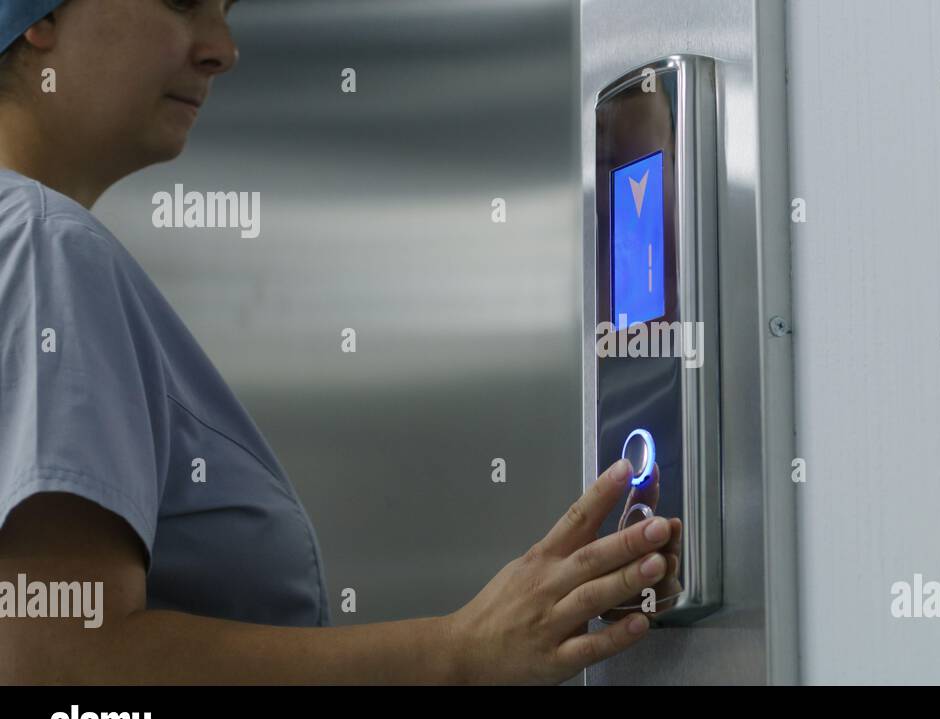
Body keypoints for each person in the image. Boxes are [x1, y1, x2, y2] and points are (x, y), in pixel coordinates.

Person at [0, 0, 681, 684]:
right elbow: (60, 666)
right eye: (183, 2)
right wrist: (458, 651)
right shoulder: (44, 246)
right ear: (40, 18)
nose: (221, 49)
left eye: (226, 10)